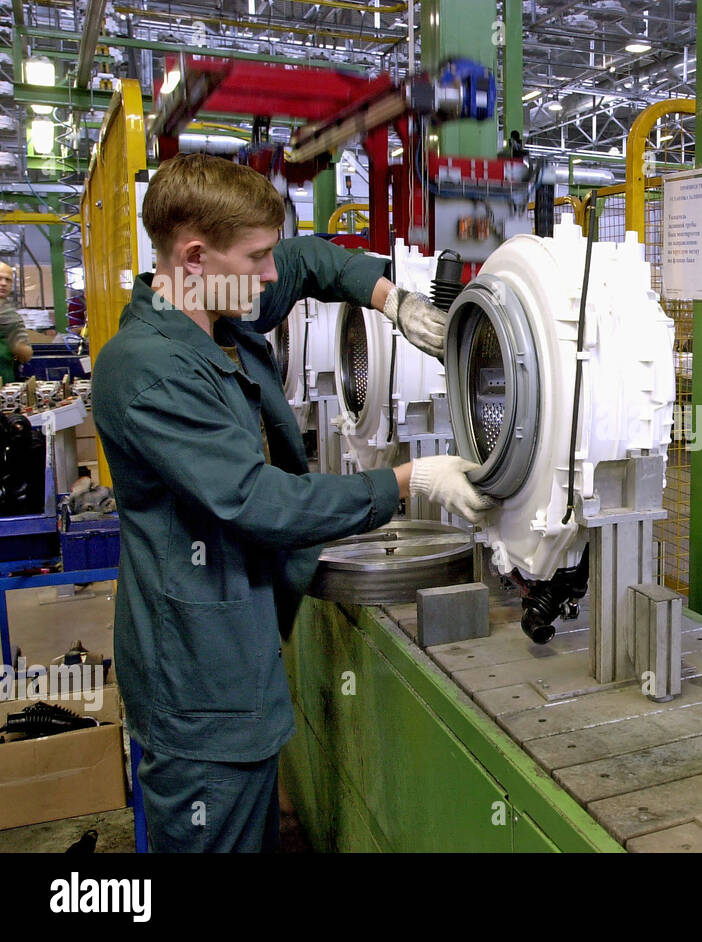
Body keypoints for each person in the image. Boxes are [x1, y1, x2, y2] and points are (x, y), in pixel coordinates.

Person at [93, 154, 495, 852]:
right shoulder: (147, 370)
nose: (272, 275)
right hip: (199, 686)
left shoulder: (215, 305)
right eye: (255, 256)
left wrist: (390, 299)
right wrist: (405, 483)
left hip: (237, 659)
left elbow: (307, 261)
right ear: (194, 255)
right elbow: (259, 502)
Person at [0, 262, 33, 383]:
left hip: (4, 386)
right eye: (0, 278)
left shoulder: (13, 318)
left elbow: (26, 355)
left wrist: (18, 346)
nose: (3, 283)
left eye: (7, 280)